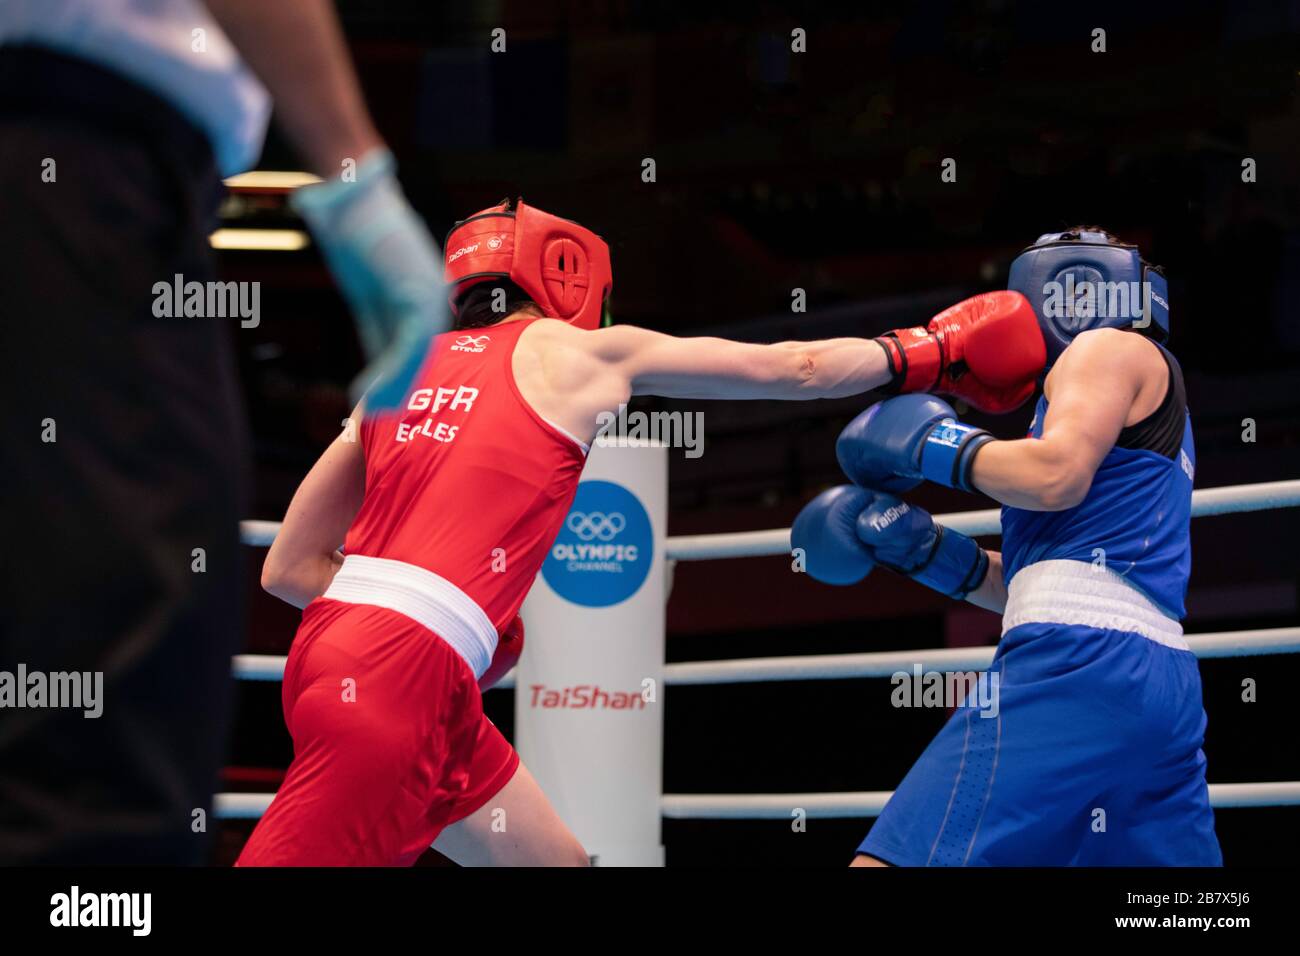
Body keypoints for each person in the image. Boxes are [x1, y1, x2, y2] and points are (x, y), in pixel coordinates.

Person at [236, 198, 1048, 865]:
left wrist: (459, 621)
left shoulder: (396, 372)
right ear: (568, 272)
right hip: (402, 673)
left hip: (347, 656)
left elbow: (287, 569)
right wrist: (926, 351)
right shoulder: (576, 355)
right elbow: (793, 368)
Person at [0, 0, 444, 863]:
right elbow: (287, 569)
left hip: (69, 169)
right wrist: (356, 175)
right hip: (74, 164)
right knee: (102, 746)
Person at [794, 228, 1221, 866]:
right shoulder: (1120, 399)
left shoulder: (1105, 348)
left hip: (1077, 663)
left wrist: (932, 444)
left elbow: (1056, 477)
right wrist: (925, 549)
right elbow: (1059, 580)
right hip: (1157, 683)